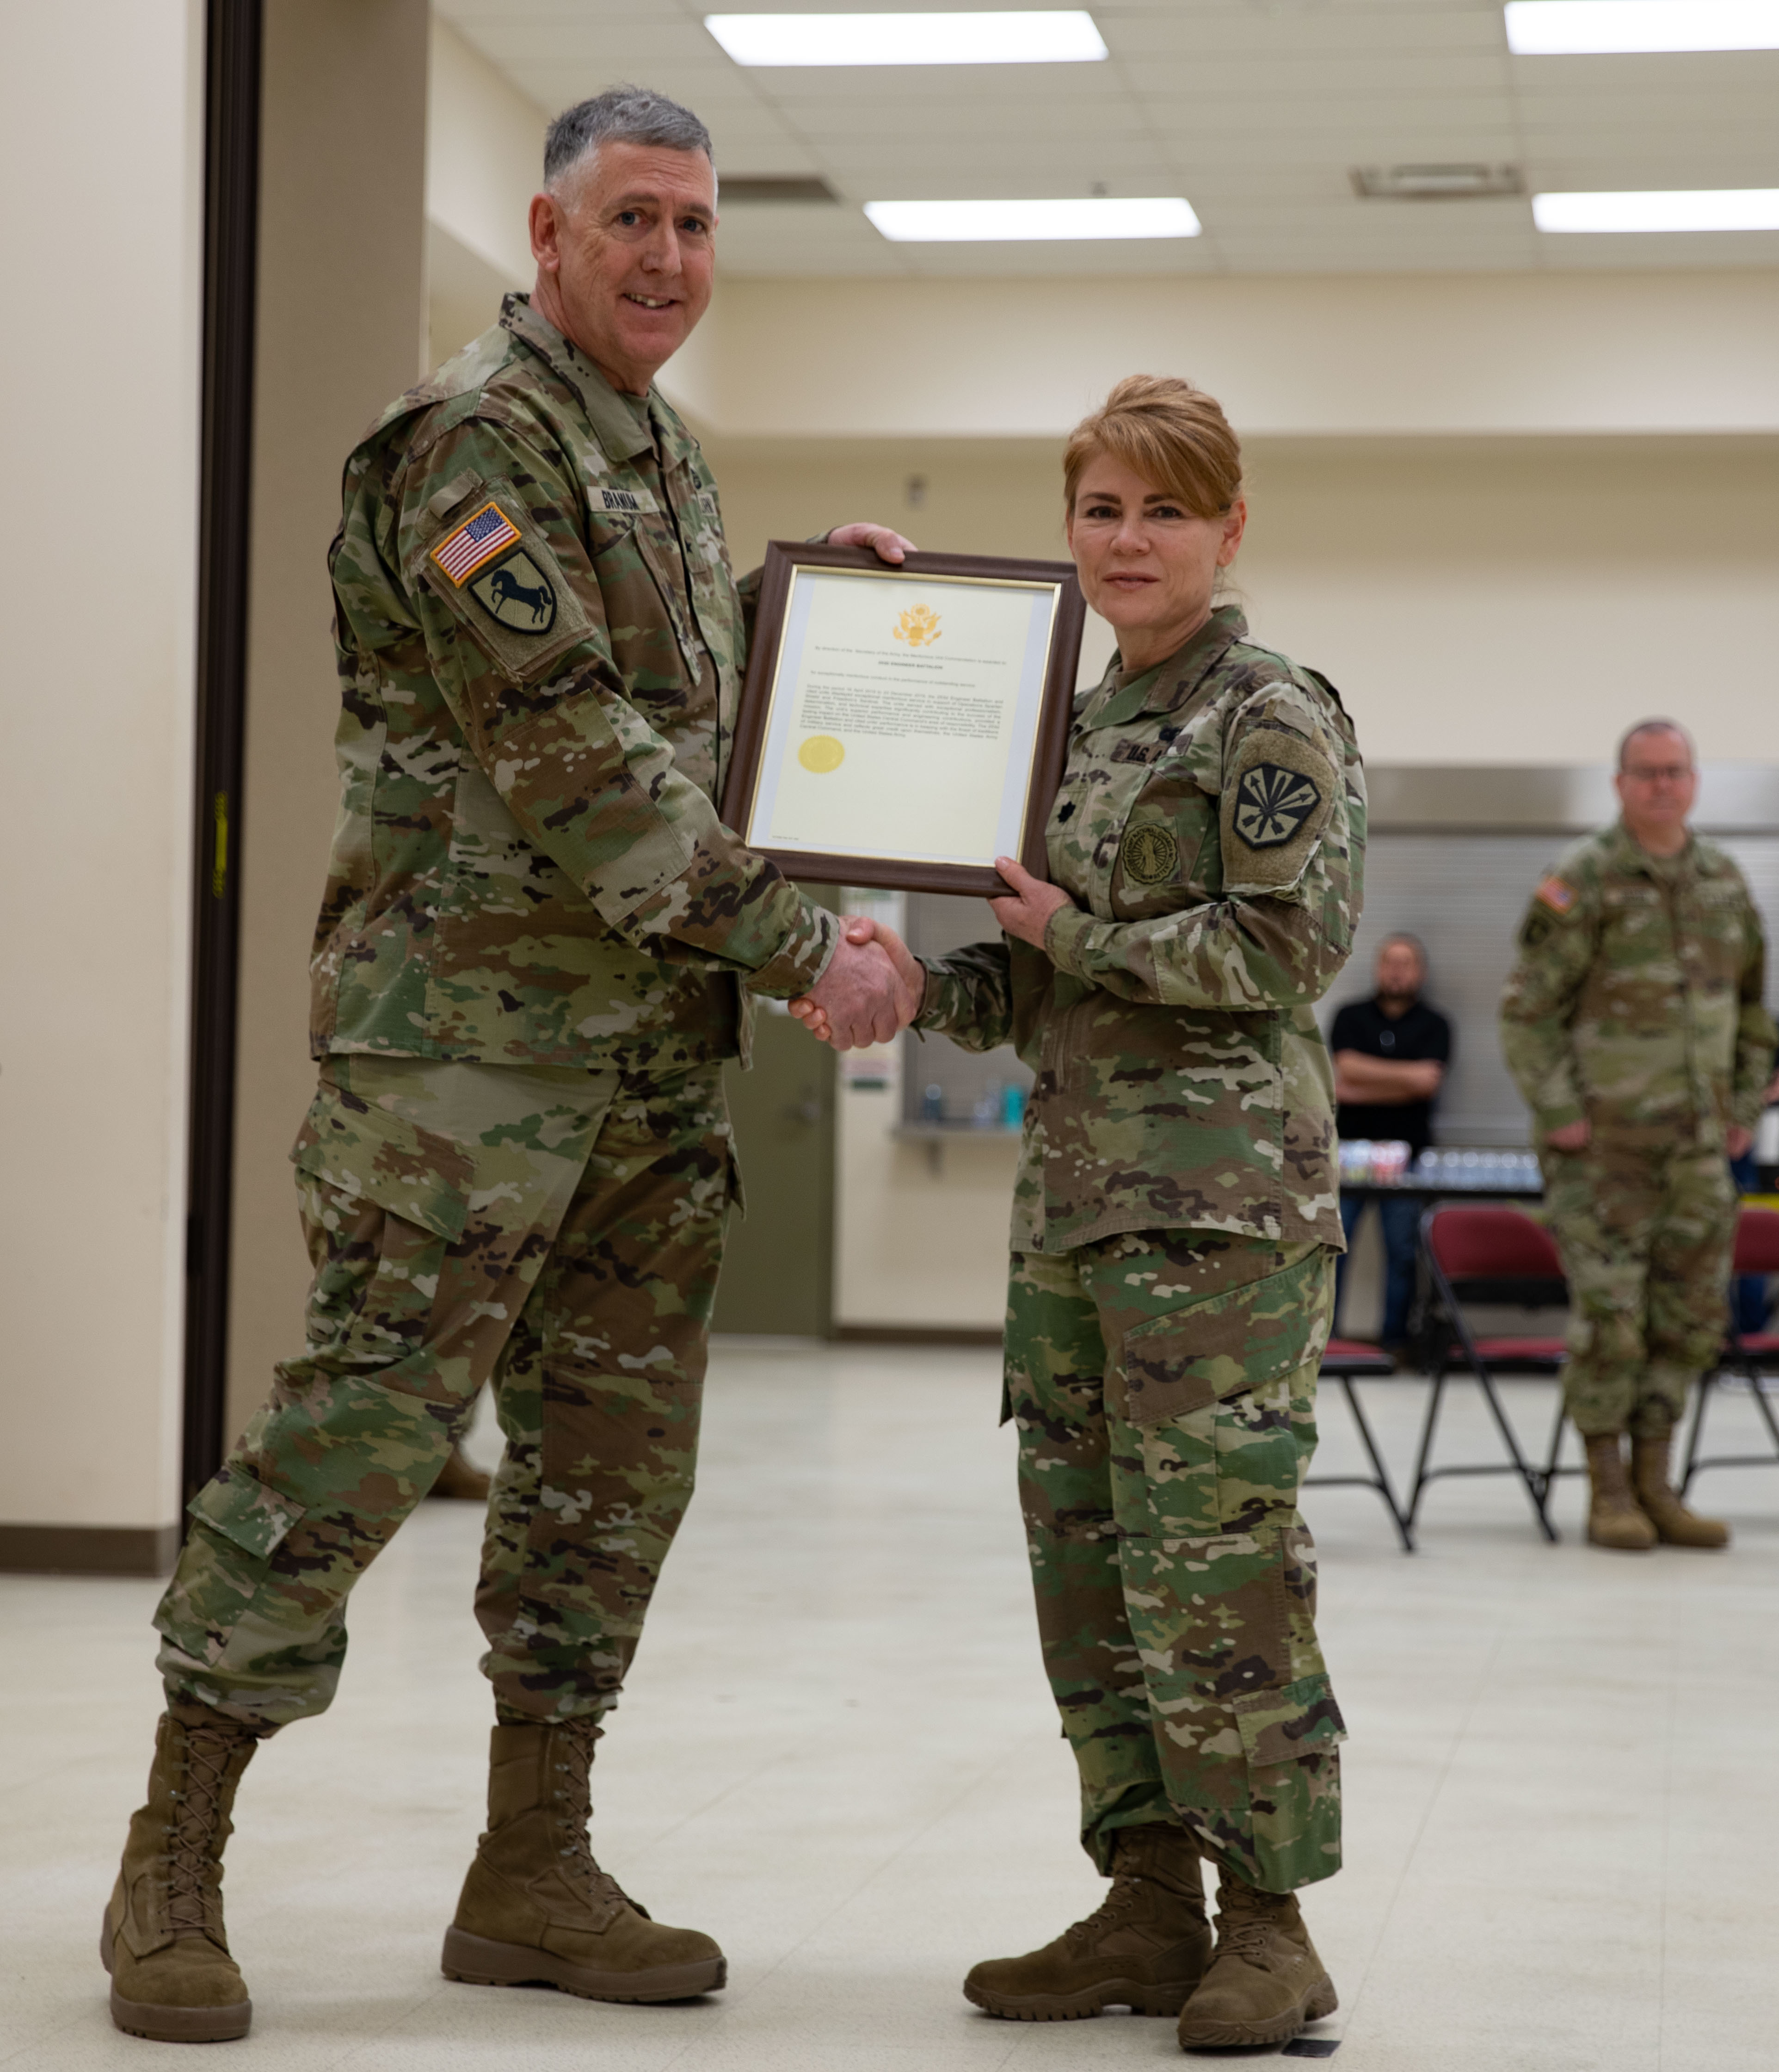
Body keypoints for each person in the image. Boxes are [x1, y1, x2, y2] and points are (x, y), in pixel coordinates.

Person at [102, 87, 915, 2045]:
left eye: (696, 224)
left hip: (641, 1055)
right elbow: (560, 749)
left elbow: (661, 704)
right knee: (363, 1431)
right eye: (629, 218)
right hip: (459, 1063)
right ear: (541, 240)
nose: (666, 257)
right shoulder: (465, 442)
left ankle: (531, 1863)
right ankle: (171, 1853)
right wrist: (811, 948)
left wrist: (813, 614)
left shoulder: (655, 455)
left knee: (607, 1469)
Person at [795, 375, 1366, 2051]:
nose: (1128, 540)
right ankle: (1142, 1901)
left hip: (1217, 1212)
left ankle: (1268, 1922)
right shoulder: (1066, 720)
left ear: (1226, 529)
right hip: (1070, 1213)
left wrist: (1070, 942)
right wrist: (911, 983)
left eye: (1163, 510)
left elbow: (1277, 955)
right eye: (1101, 509)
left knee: (1218, 1565)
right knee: (1089, 1563)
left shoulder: (1263, 713)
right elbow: (1024, 966)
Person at [1501, 720, 1774, 1553]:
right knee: (1612, 1321)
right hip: (1602, 1152)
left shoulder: (1723, 881)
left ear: (1693, 783)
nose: (1662, 785)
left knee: (1688, 1318)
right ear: (1620, 784)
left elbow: (1753, 1011)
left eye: (1675, 772)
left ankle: (1659, 1484)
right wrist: (1561, 1114)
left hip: (1697, 1149)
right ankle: (1608, 1488)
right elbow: (1528, 1010)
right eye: (1646, 772)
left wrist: (1742, 1107)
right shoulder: (1581, 880)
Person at [1330, 934, 1451, 1355]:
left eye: (1406, 963)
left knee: (1402, 1252)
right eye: (1389, 962)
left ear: (1420, 972)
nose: (1396, 971)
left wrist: (1364, 1081)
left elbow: (1429, 1084)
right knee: (1334, 1248)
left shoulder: (1435, 1024)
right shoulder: (1350, 1016)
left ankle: (1394, 1344)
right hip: (1348, 1157)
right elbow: (1341, 1077)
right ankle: (1326, 1344)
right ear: (1377, 967)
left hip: (1407, 1158)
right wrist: (1405, 1080)